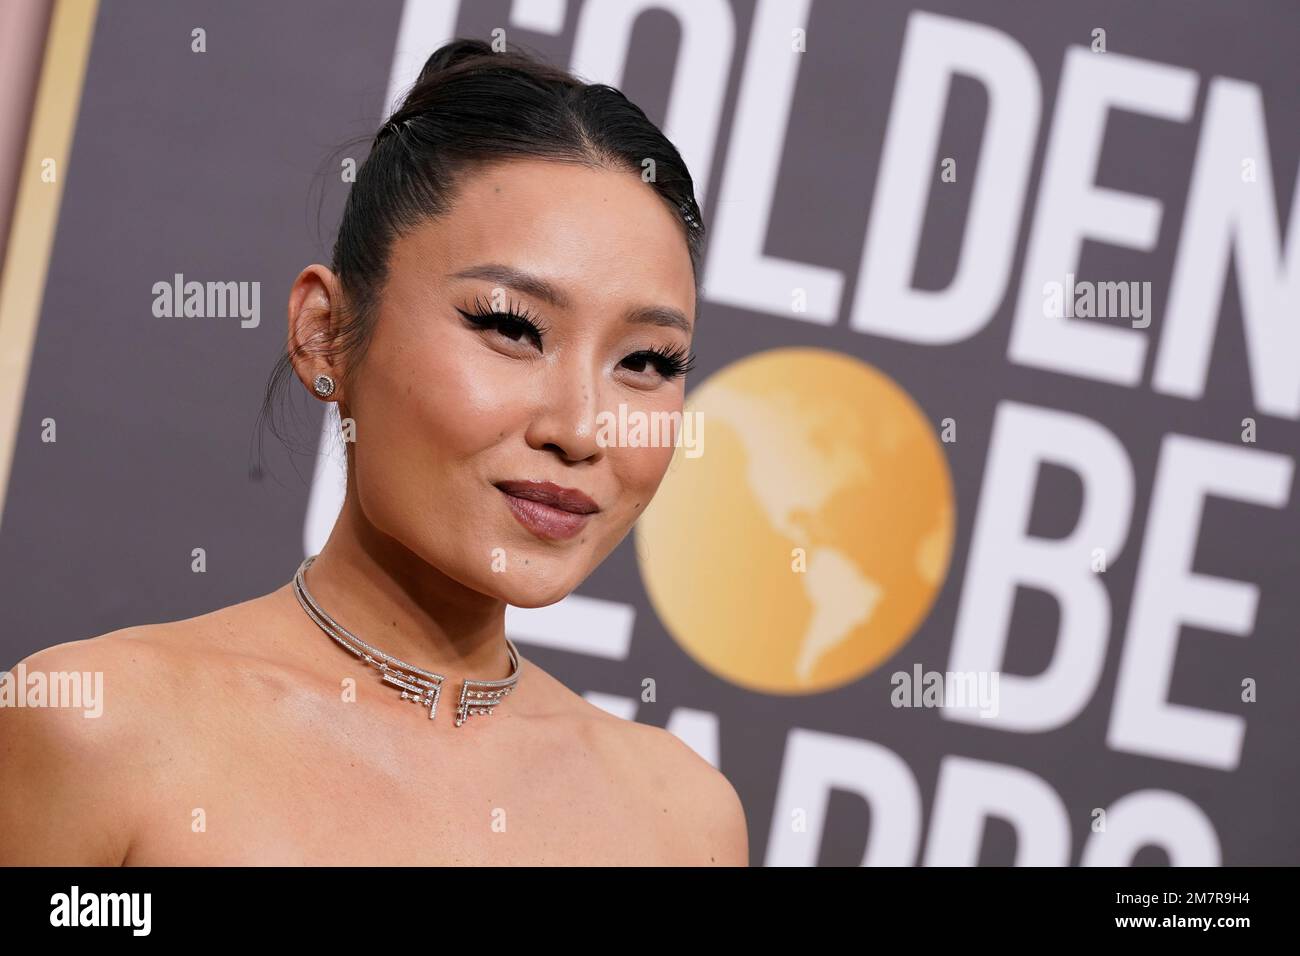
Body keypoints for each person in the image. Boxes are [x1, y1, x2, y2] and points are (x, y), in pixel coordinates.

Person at [0, 38, 747, 866]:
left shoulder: (683, 821)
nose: (581, 428)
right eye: (510, 327)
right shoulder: (98, 727)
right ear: (325, 333)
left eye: (647, 362)